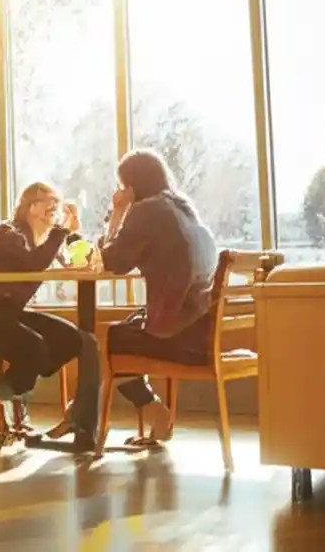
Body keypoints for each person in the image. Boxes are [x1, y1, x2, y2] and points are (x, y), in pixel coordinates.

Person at [0, 182, 101, 453]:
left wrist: (72, 236)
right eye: (49, 206)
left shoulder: (43, 240)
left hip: (5, 315)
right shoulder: (8, 233)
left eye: (56, 205)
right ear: (31, 206)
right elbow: (33, 262)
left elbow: (72, 261)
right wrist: (61, 231)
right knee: (33, 347)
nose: (54, 211)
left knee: (73, 339)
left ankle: (58, 415)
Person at [96, 149, 218, 445]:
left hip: (176, 334)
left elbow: (112, 260)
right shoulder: (183, 206)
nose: (121, 191)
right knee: (125, 328)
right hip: (202, 327)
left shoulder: (146, 211)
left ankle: (132, 417)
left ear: (132, 184)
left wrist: (118, 213)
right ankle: (136, 416)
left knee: (107, 339)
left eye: (122, 185)